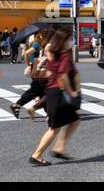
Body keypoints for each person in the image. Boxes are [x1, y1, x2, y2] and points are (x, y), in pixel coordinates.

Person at [30, 30, 82, 165]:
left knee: (74, 120)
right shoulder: (63, 56)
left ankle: (59, 148)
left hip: (53, 92)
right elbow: (63, 76)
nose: (71, 42)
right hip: (58, 94)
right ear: (63, 41)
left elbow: (50, 72)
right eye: (69, 39)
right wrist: (72, 92)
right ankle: (36, 155)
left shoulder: (56, 54)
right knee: (54, 128)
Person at [10, 30, 48, 120]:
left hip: (38, 70)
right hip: (41, 71)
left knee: (38, 91)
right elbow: (27, 53)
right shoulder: (39, 44)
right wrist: (28, 65)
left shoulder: (41, 43)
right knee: (43, 91)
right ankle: (48, 113)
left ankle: (48, 113)